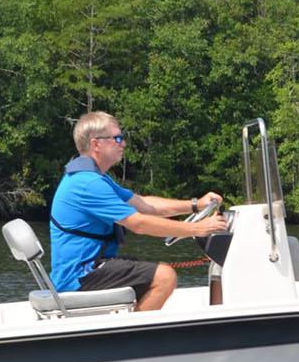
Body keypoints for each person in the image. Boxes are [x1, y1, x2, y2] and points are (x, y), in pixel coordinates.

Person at [49, 111, 228, 311]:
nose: (122, 144)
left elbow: (143, 204)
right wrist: (198, 228)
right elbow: (139, 223)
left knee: (153, 274)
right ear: (96, 144)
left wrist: (195, 205)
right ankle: (130, 339)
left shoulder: (95, 178)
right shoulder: (88, 184)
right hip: (78, 276)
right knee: (164, 277)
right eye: (116, 138)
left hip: (87, 268)